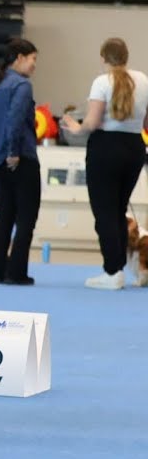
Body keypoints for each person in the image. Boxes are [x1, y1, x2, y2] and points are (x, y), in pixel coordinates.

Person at [61, 37, 148, 290]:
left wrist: (75, 127)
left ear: (103, 58)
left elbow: (92, 122)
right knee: (118, 210)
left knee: (105, 214)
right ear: (126, 56)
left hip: (105, 149)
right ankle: (117, 267)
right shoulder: (142, 80)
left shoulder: (102, 82)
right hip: (133, 148)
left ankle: (113, 271)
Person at [0, 37, 40, 286]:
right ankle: (16, 271)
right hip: (20, 157)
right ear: (19, 58)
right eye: (32, 59)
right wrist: (13, 152)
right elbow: (15, 120)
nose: (34, 65)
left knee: (5, 214)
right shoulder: (22, 86)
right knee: (26, 217)